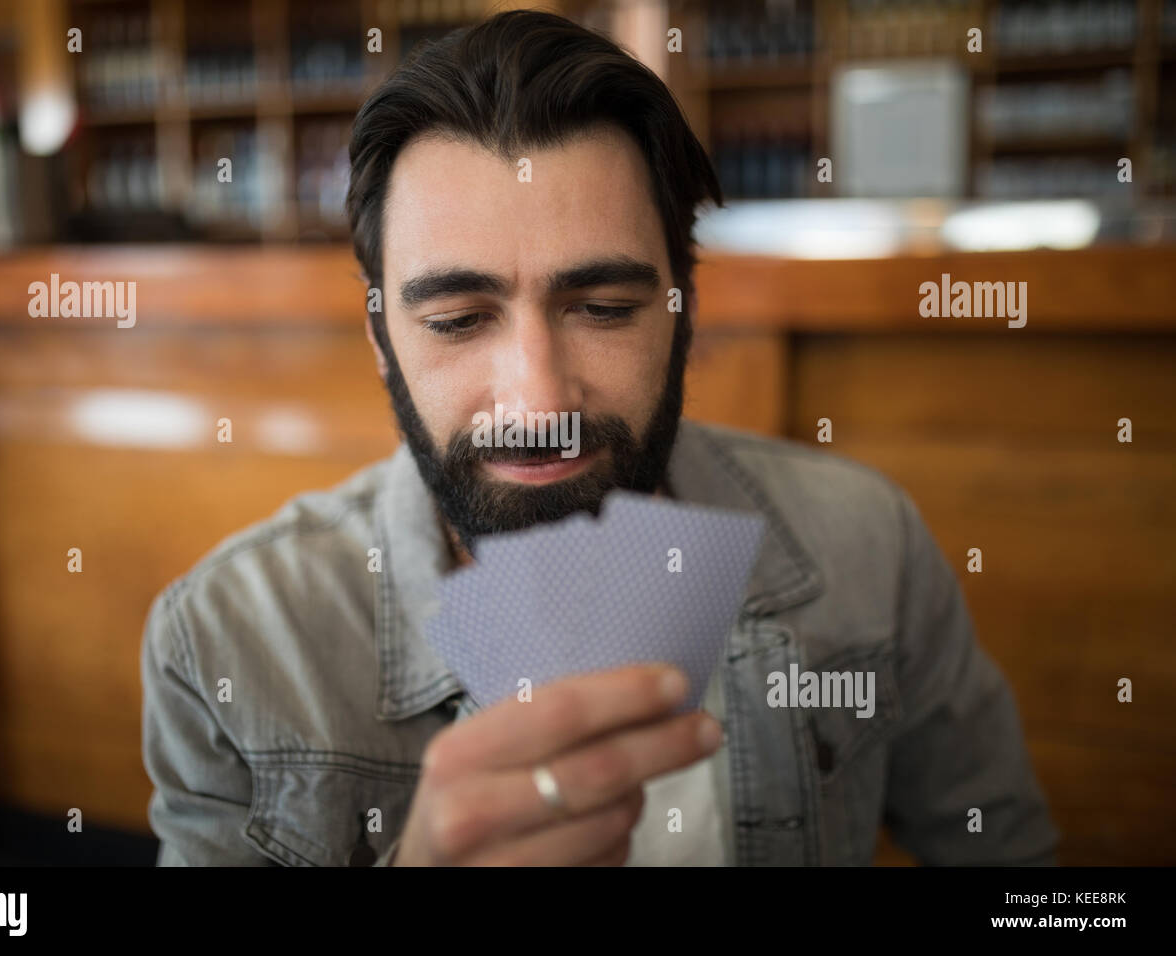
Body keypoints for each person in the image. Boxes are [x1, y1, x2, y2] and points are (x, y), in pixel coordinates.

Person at [140, 9, 1058, 866]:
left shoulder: (868, 547)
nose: (538, 397)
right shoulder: (228, 643)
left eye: (605, 307)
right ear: (382, 338)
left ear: (683, 309)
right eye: (459, 320)